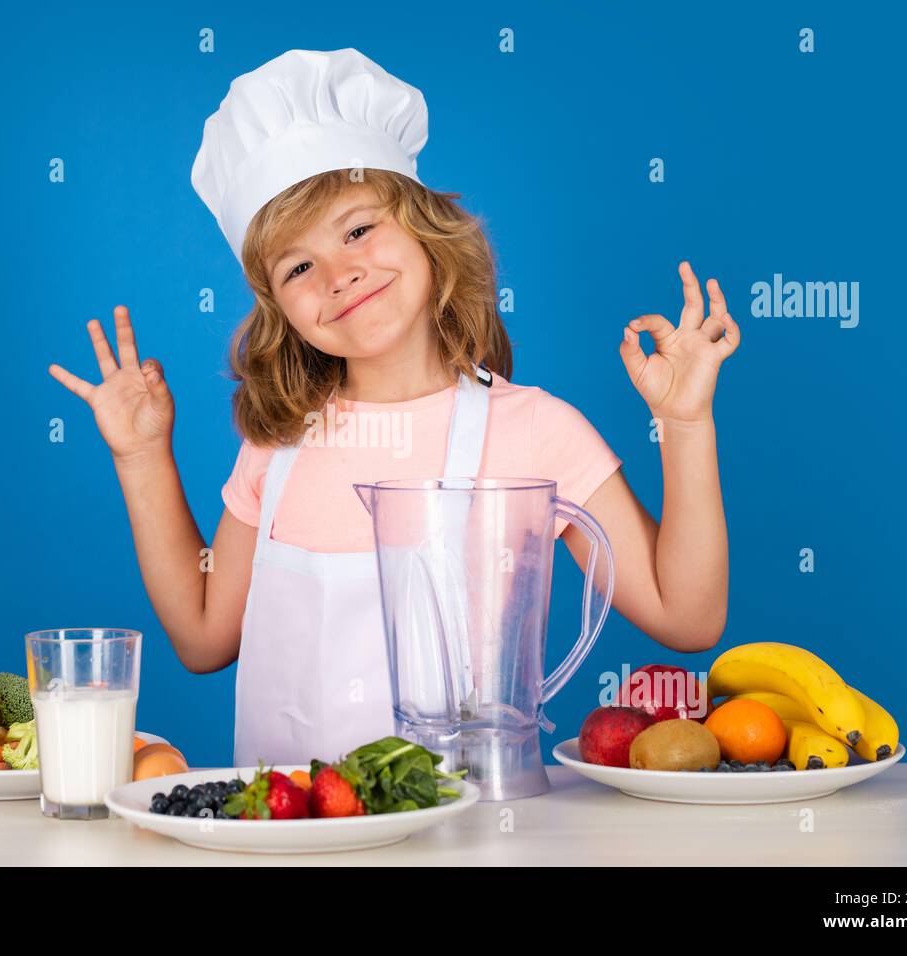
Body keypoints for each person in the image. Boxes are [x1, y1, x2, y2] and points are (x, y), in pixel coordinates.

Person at [48, 49, 740, 766]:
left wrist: (685, 424)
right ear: (279, 308)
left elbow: (687, 616)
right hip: (287, 843)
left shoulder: (534, 432)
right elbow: (201, 639)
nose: (339, 274)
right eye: (297, 267)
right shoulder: (280, 443)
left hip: (464, 842)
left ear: (424, 228)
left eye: (357, 231)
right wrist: (141, 455)